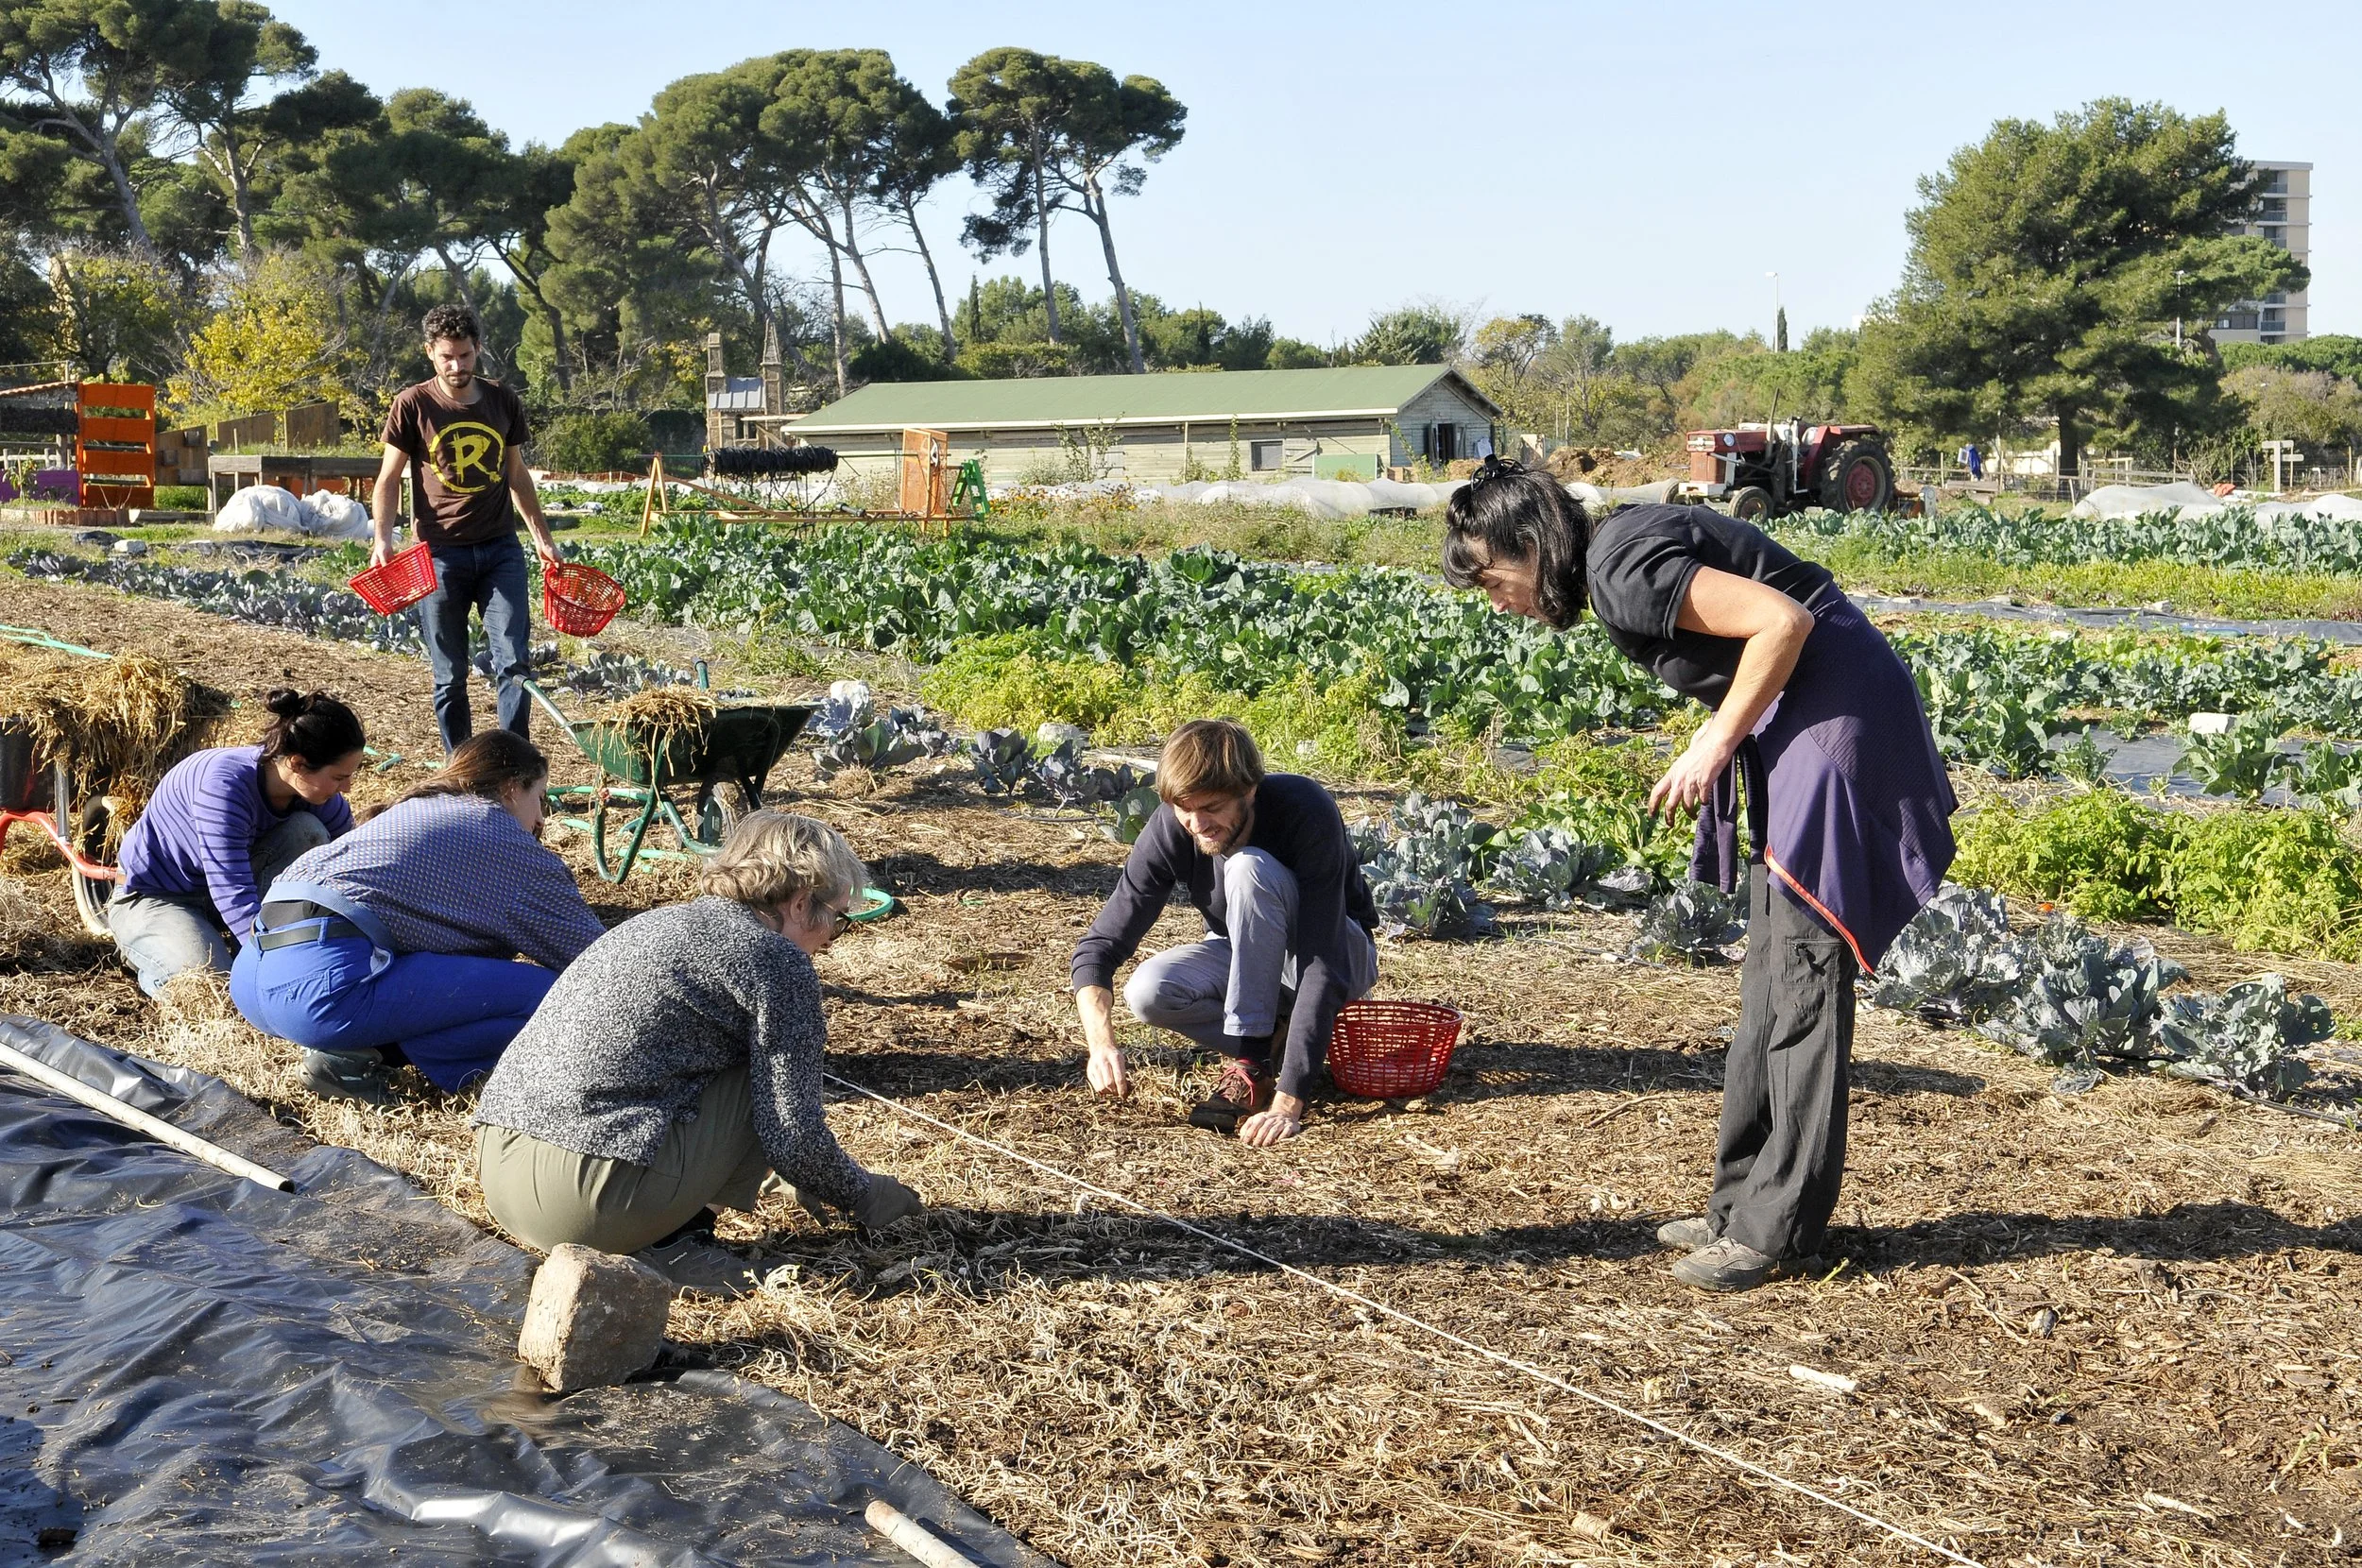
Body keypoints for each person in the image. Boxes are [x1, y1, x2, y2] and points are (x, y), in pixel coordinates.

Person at [1442, 458, 1955, 1292]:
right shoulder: (1618, 555)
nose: (1497, 600)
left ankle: (1779, 1231)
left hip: (1831, 728)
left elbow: (1782, 621)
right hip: (1802, 723)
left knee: (1801, 975)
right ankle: (1737, 1204)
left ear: (1529, 544)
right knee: (1769, 974)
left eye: (1494, 579)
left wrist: (1713, 741)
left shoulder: (1617, 568)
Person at [471, 810, 923, 1269]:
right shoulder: (775, 961)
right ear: (802, 902)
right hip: (582, 1205)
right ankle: (680, 1241)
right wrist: (867, 1196)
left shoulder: (657, 923)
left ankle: (673, 1211)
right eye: (839, 919)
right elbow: (792, 1134)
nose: (832, 939)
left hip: (500, 1171)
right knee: (762, 1072)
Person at [229, 731, 605, 1104]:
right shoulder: (502, 836)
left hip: (253, 975)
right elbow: (596, 962)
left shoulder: (419, 807)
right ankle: (368, 1055)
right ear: (510, 789)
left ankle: (354, 1050)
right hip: (319, 987)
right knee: (551, 995)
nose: (541, 819)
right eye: (539, 799)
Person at [1073, 720, 1379, 1147]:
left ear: (1250, 789)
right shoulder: (1171, 827)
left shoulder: (1304, 808)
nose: (1197, 824)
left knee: (1248, 868)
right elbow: (1100, 947)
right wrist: (1101, 1044)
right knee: (1148, 991)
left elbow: (1322, 960)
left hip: (1338, 953)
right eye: (1184, 808)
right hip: (1244, 958)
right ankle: (1277, 1040)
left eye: (1212, 807)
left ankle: (1253, 1061)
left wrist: (1288, 1104)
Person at [370, 303, 562, 755]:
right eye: (447, 358)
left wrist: (543, 538)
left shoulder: (502, 400)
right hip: (439, 555)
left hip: (500, 550)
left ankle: (513, 767)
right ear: (430, 354)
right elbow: (388, 479)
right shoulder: (413, 404)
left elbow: (517, 475)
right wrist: (382, 538)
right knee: (449, 673)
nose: (457, 367)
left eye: (465, 356)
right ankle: (461, 767)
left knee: (514, 663)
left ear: (478, 350)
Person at [107, 690, 366, 997]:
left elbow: (352, 856)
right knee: (215, 987)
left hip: (220, 891)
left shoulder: (317, 795)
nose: (347, 788)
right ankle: (147, 955)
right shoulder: (224, 787)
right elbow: (233, 893)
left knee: (308, 831)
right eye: (339, 777)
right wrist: (282, 969)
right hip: (159, 896)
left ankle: (218, 941)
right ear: (297, 763)